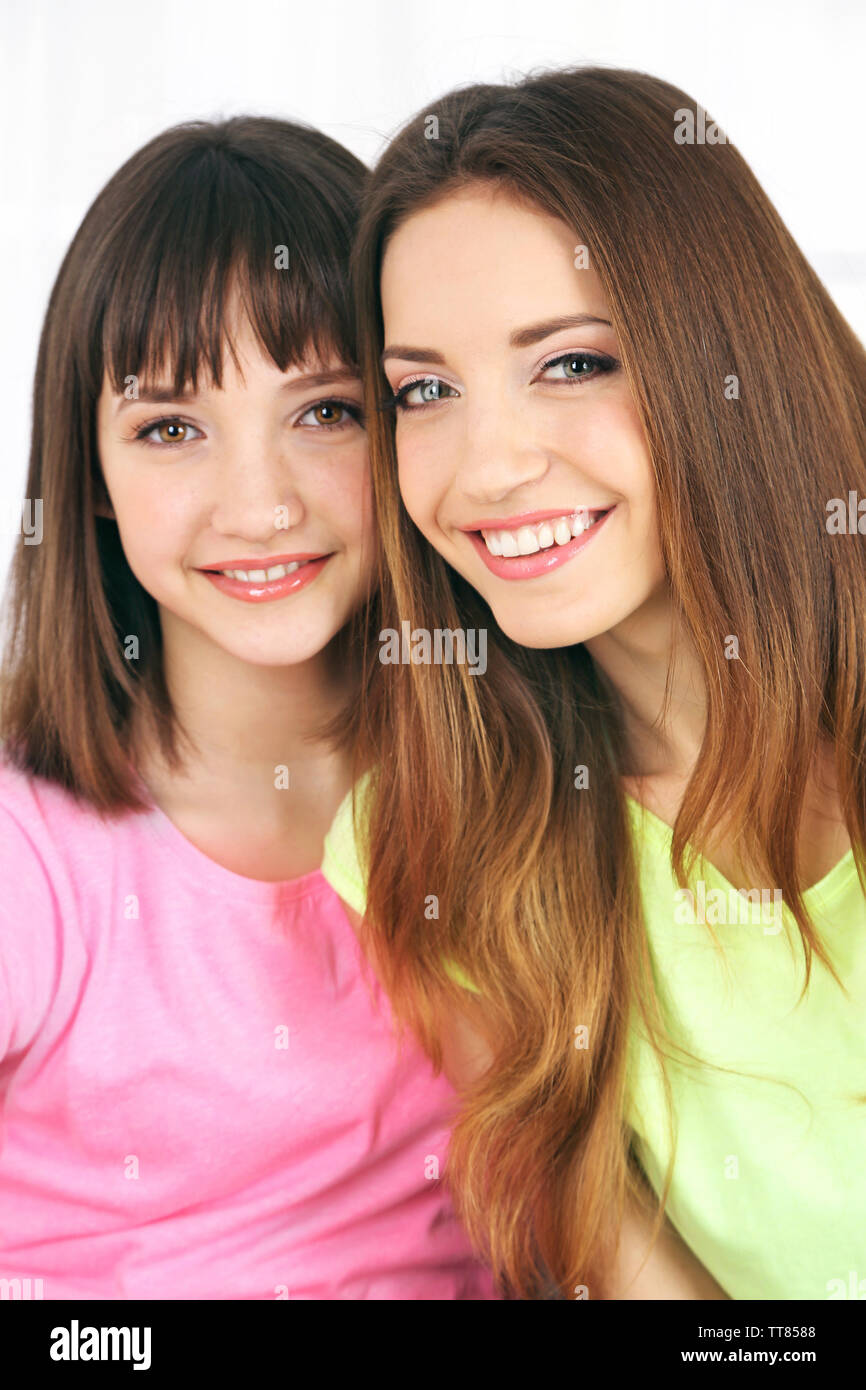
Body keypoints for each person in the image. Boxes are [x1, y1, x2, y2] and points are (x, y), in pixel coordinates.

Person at [322, 67, 866, 1299]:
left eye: (569, 364)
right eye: (425, 391)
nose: (490, 466)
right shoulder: (433, 836)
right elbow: (636, 1271)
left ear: (724, 356)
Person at [0, 116, 495, 1300]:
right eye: (171, 428)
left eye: (324, 410)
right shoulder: (33, 855)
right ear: (95, 476)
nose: (260, 504)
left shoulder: (514, 779)